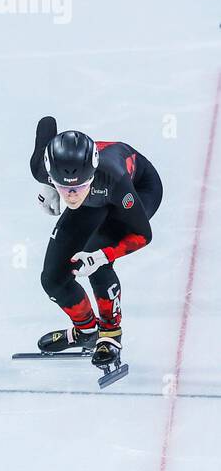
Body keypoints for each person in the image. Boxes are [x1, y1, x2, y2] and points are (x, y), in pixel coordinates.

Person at [29, 117, 163, 370]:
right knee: (52, 278)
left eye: (78, 187)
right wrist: (47, 186)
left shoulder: (113, 177)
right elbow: (47, 123)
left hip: (135, 189)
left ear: (90, 174)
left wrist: (104, 255)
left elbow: (143, 234)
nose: (71, 195)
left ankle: (110, 336)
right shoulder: (42, 170)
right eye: (63, 187)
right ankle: (87, 332)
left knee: (92, 256)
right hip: (95, 196)